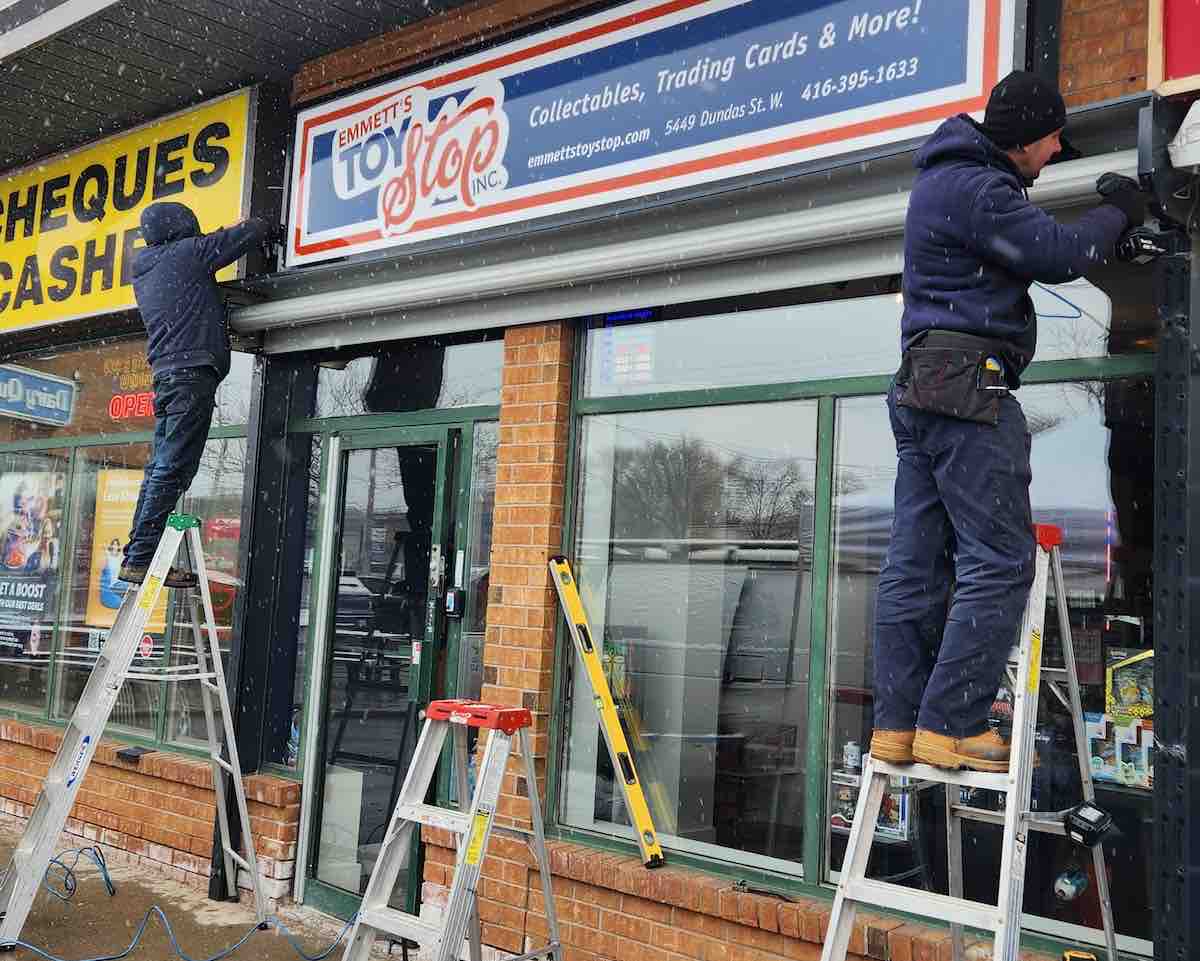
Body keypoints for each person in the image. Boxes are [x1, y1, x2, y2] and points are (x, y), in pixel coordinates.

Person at [869, 72, 1146, 772]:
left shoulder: (946, 182)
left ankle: (898, 724)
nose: (1056, 152)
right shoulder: (977, 189)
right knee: (999, 560)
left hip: (924, 384)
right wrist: (1120, 211)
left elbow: (1032, 247)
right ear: (1024, 136)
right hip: (969, 388)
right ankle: (952, 725)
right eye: (1053, 140)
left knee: (915, 564)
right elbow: (1059, 254)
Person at [118, 202, 270, 588]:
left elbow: (201, 250)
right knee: (172, 469)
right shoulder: (189, 254)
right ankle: (140, 558)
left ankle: (138, 554)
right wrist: (255, 223)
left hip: (169, 375)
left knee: (161, 468)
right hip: (191, 375)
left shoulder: (146, 265)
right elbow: (252, 232)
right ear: (183, 225)